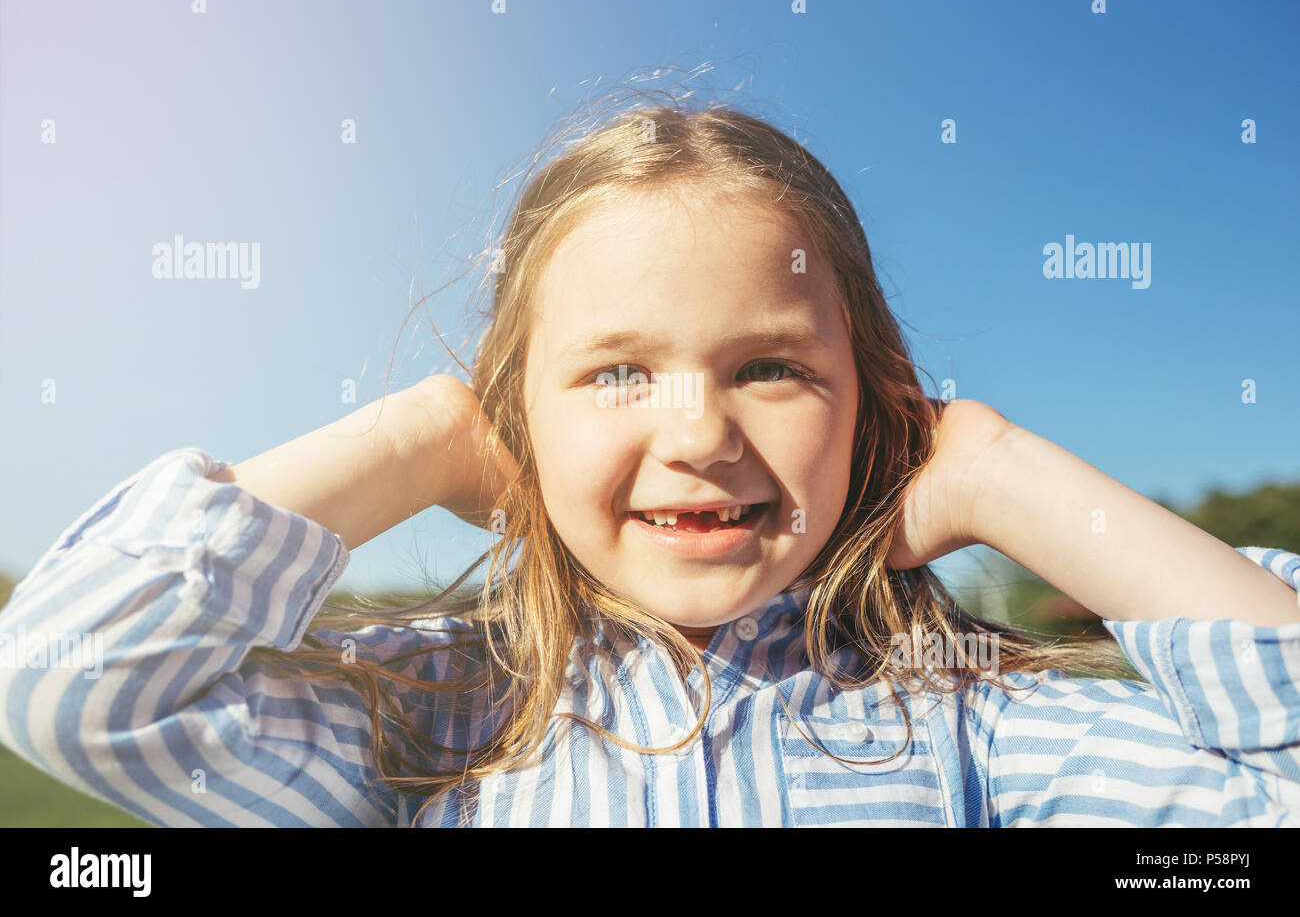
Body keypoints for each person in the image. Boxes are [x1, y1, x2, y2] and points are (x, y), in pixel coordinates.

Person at [2, 100, 1298, 827]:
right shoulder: (429, 722)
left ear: (873, 409)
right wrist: (419, 439)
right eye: (616, 372)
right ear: (521, 425)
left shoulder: (966, 725)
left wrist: (996, 470)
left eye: (771, 368)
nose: (696, 435)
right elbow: (73, 687)